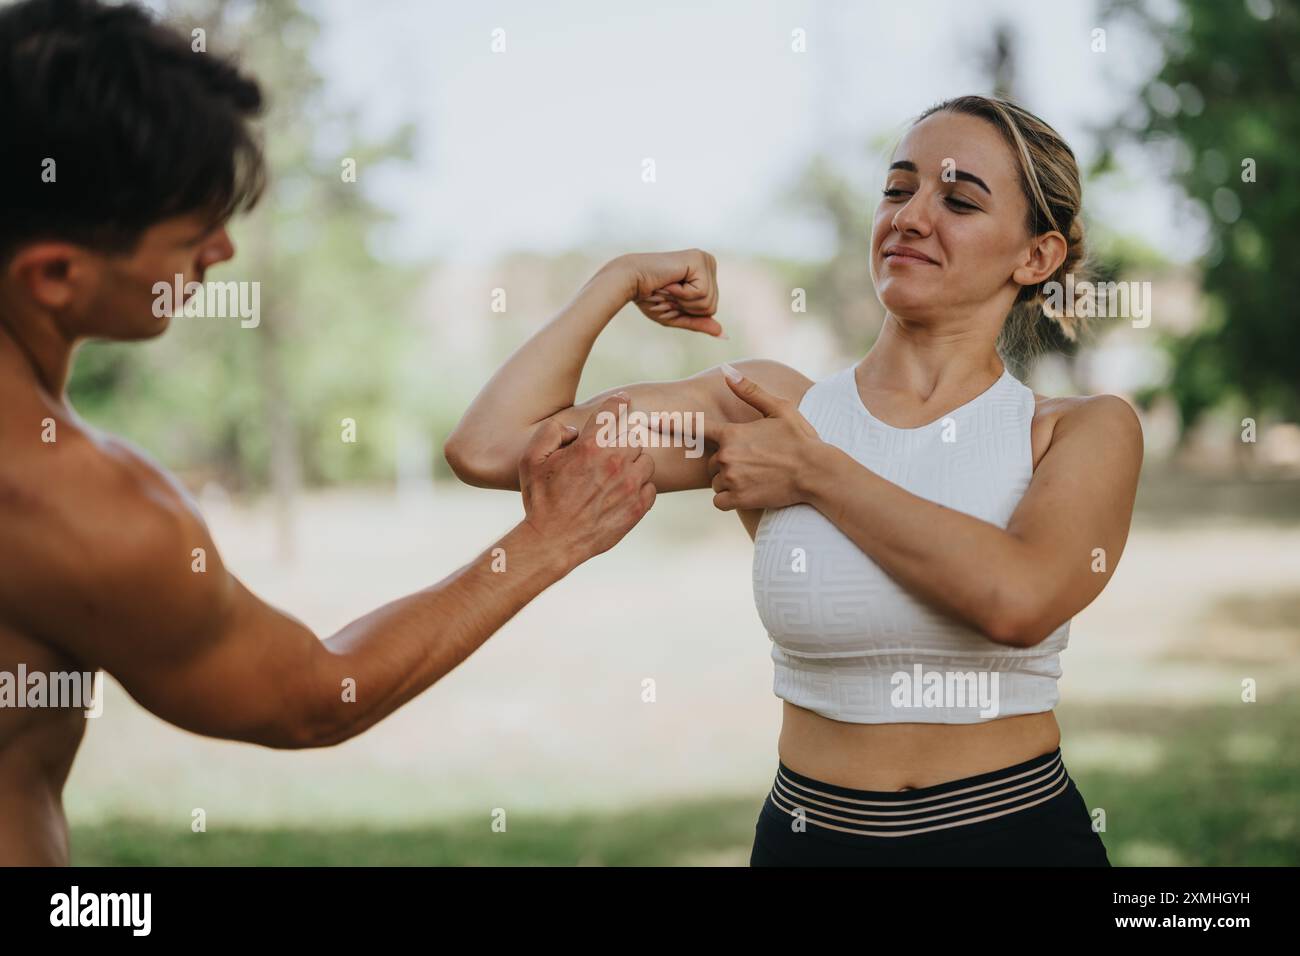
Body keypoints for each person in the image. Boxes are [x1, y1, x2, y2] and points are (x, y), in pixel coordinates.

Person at [0, 0, 656, 866]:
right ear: (53, 274)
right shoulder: (78, 508)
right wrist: (546, 540)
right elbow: (314, 697)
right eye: (194, 233)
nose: (222, 256)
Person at [446, 95, 1144, 866]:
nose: (910, 216)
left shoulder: (1078, 429)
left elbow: (1019, 599)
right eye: (897, 188)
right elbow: (492, 447)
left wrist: (817, 472)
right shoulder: (764, 404)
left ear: (1036, 258)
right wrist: (615, 279)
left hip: (1013, 840)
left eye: (958, 199)